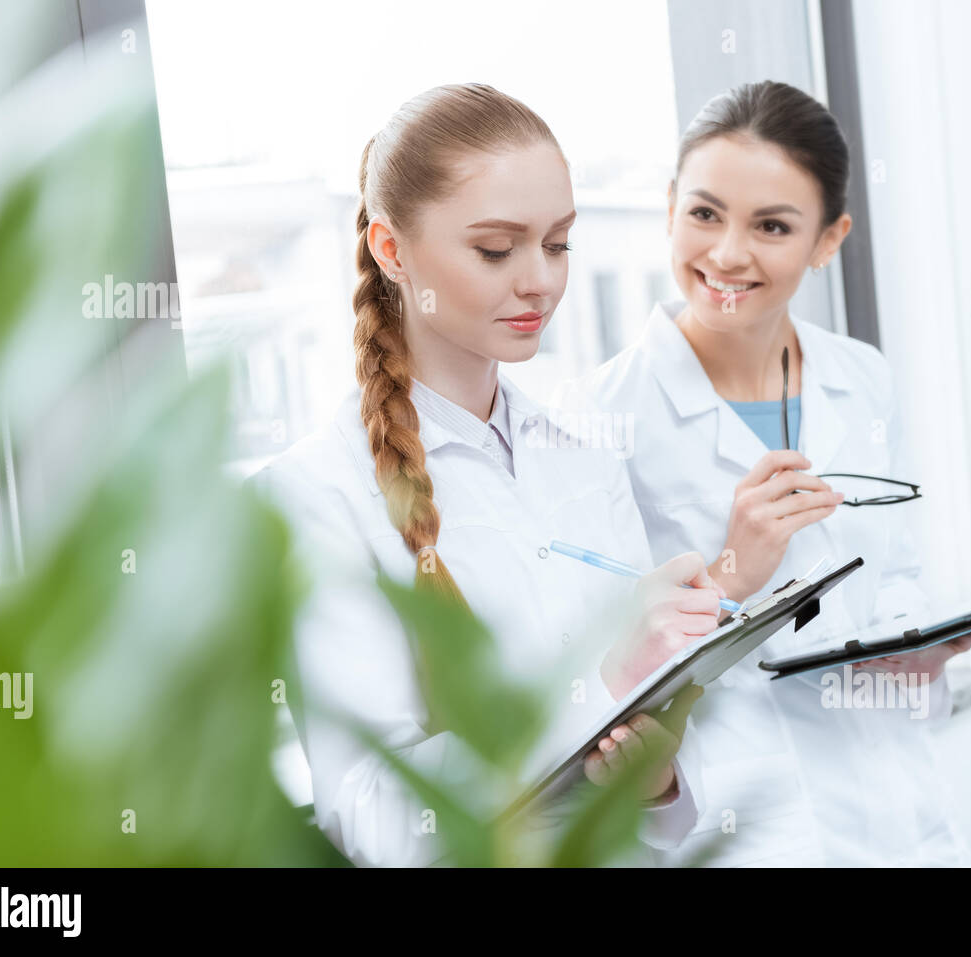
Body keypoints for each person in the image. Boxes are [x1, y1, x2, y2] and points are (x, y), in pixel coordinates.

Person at [252, 84, 724, 867]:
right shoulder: (314, 495)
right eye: (497, 249)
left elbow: (660, 775)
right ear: (392, 250)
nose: (540, 280)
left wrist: (659, 773)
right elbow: (373, 816)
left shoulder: (584, 451)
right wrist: (600, 684)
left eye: (560, 243)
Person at [564, 80, 971, 866]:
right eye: (705, 212)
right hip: (751, 828)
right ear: (669, 206)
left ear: (829, 239)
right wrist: (729, 573)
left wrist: (920, 643)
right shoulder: (597, 415)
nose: (726, 253)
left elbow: (898, 570)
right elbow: (600, 670)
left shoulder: (861, 376)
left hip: (904, 814)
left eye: (773, 226)